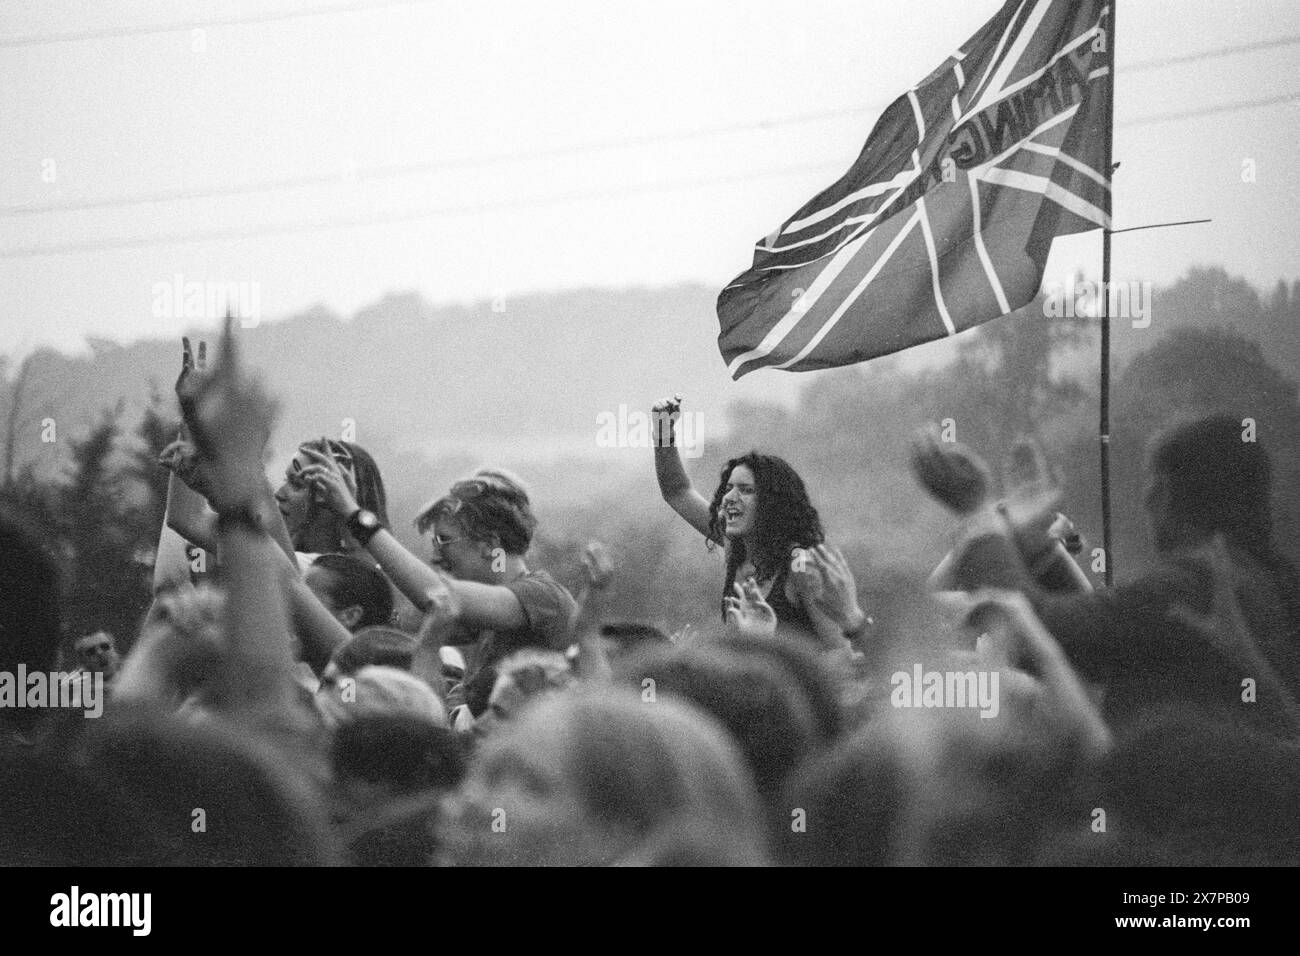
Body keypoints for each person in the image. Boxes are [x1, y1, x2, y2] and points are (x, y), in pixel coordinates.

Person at [948, 414, 1300, 737]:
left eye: (1152, 483)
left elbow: (1040, 628)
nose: (1146, 499)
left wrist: (979, 515)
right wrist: (1038, 545)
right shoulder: (1271, 578)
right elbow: (1105, 635)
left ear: (1161, 494)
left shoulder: (1195, 586)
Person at [298, 458, 577, 717]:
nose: (435, 556)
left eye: (444, 540)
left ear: (491, 545)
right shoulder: (488, 620)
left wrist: (356, 516)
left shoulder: (544, 597)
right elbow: (386, 618)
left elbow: (436, 596)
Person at [651, 395, 866, 649]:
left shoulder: (801, 566)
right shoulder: (737, 547)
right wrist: (663, 433)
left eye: (745, 490)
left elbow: (840, 657)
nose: (729, 498)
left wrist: (769, 646)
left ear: (772, 505)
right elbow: (677, 492)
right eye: (729, 488)